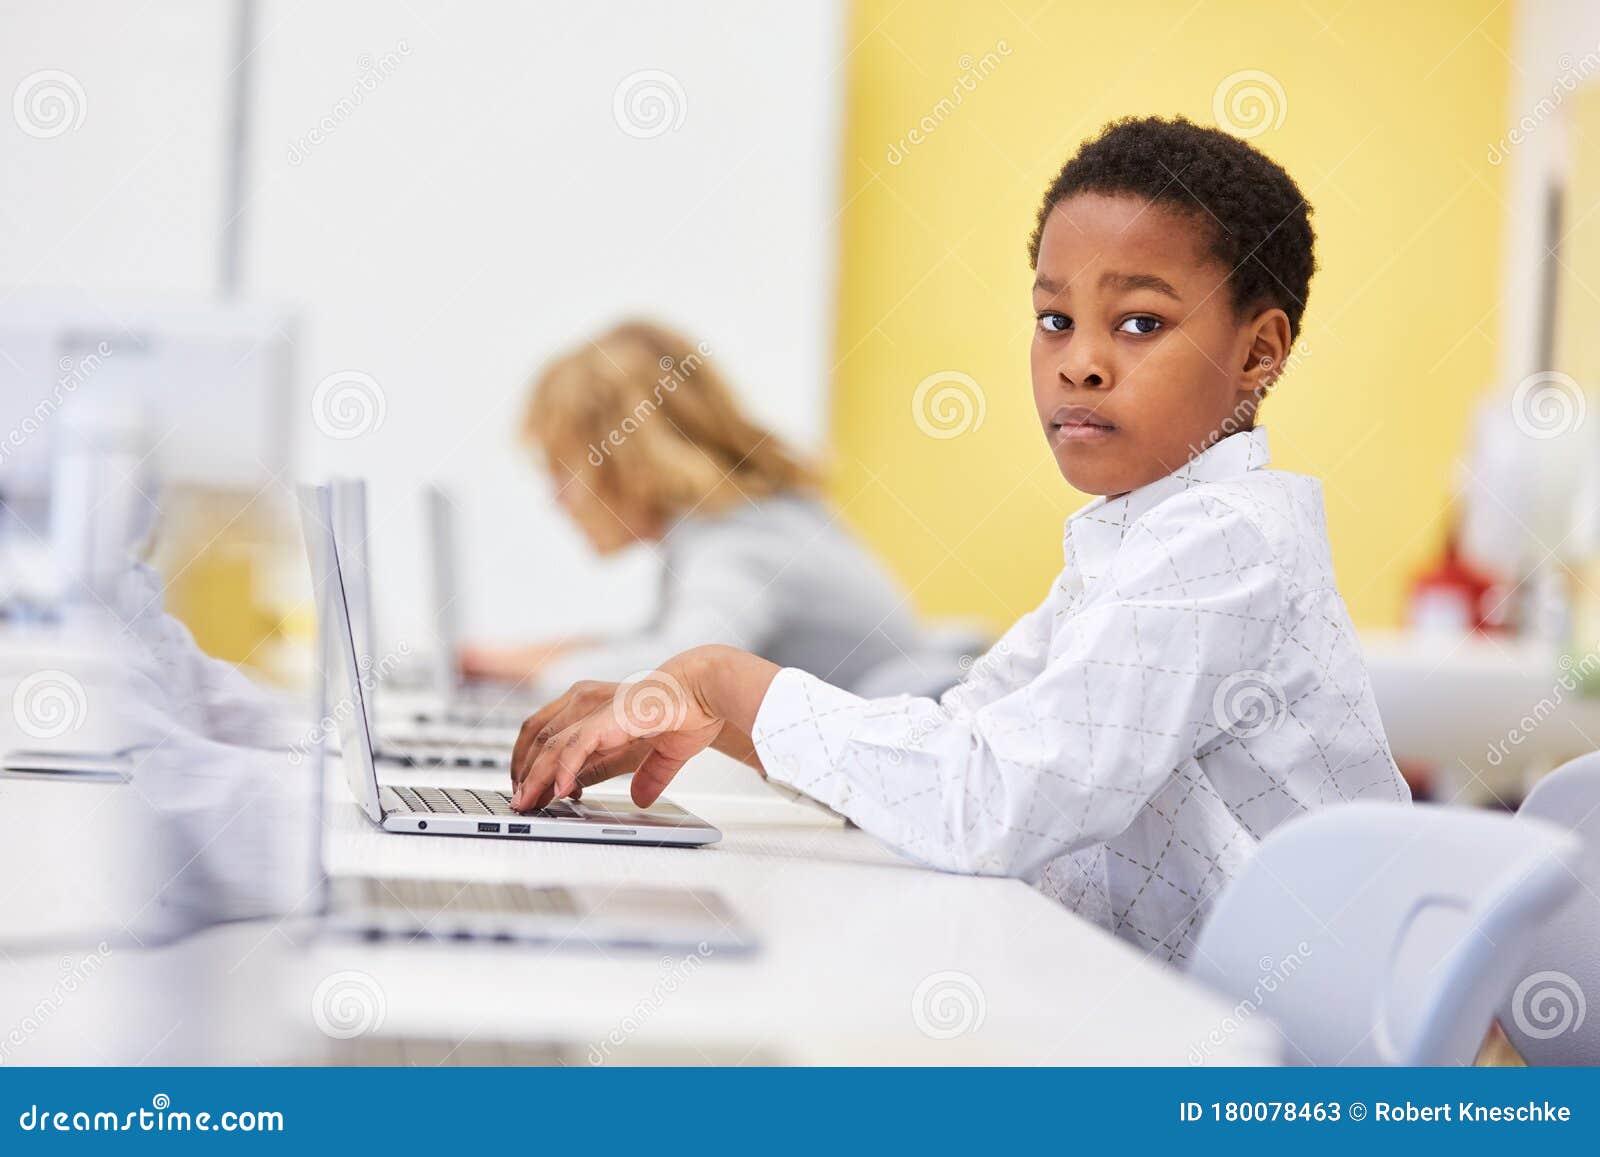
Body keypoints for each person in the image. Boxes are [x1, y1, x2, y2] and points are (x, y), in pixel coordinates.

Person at [507, 116, 1409, 964]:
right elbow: (958, 743)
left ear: (1259, 354)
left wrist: (723, 682)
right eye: (1055, 318)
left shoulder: (1224, 545)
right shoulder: (1138, 539)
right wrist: (715, 719)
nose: (1080, 360)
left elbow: (991, 806)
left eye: (1140, 323)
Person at [460, 320, 977, 698]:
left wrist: (538, 674)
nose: (556, 498)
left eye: (563, 469)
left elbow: (680, 674)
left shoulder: (739, 542)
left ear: (624, 458)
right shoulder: (749, 516)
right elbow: (668, 644)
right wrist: (535, 656)